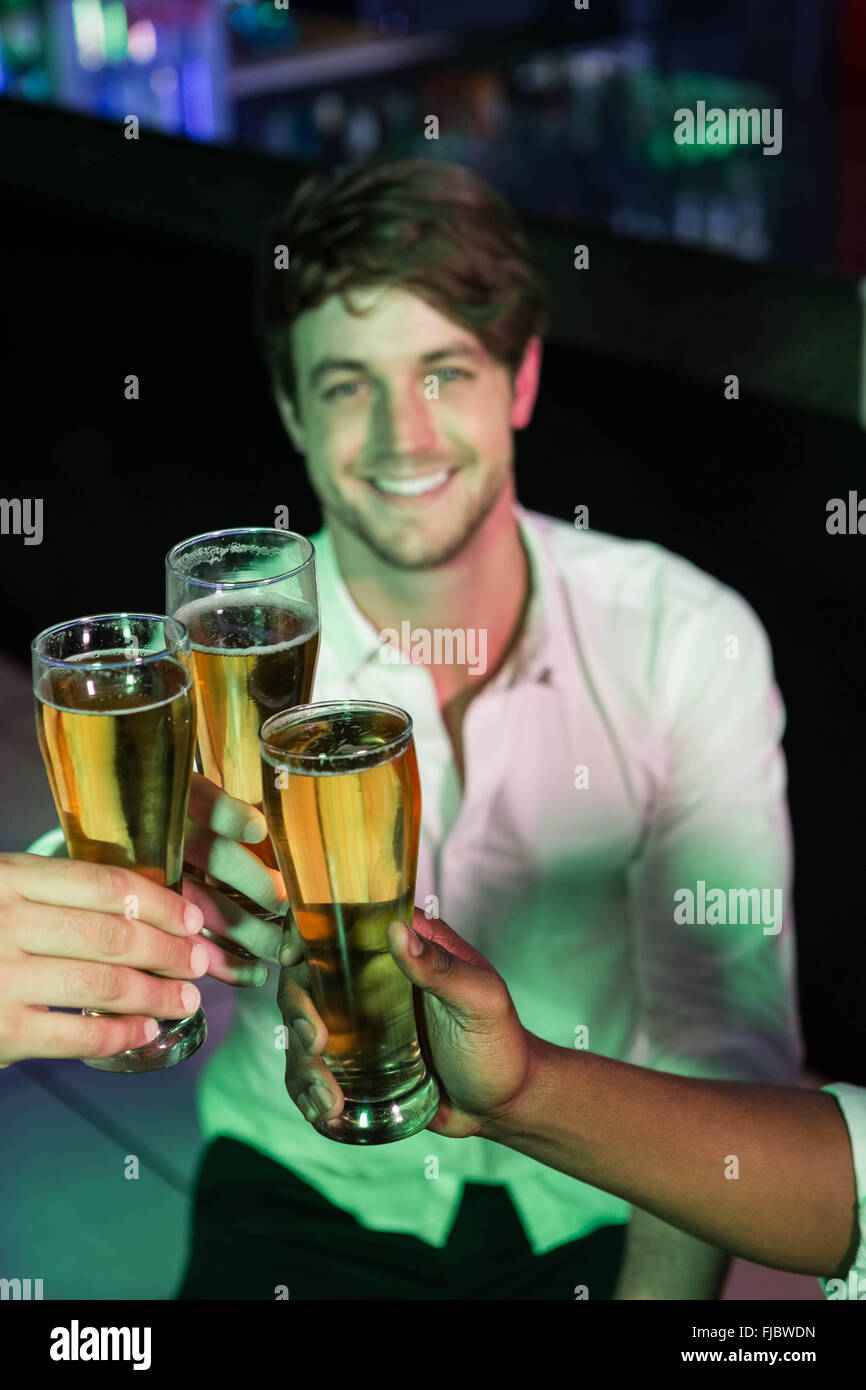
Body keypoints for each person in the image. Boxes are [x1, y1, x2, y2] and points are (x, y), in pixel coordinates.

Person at [14, 157, 802, 1300]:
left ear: (520, 379)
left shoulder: (683, 635)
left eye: (443, 371)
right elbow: (121, 892)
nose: (401, 434)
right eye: (346, 385)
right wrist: (134, 917)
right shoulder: (226, 658)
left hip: (593, 1184)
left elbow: (725, 1043)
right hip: (302, 1179)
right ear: (291, 407)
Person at [276, 904, 864, 1298]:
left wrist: (519, 1092)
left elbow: (719, 1027)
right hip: (298, 1174)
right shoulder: (287, 723)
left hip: (594, 1199)